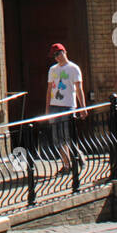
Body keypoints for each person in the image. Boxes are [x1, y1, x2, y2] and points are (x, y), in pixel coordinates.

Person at [45, 43, 87, 172]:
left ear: (64, 52)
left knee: (68, 136)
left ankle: (77, 156)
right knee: (57, 137)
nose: (57, 57)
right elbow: (49, 89)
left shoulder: (73, 68)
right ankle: (67, 164)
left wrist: (83, 108)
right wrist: (47, 108)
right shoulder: (53, 69)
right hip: (54, 106)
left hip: (68, 106)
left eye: (58, 53)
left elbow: (79, 89)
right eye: (54, 55)